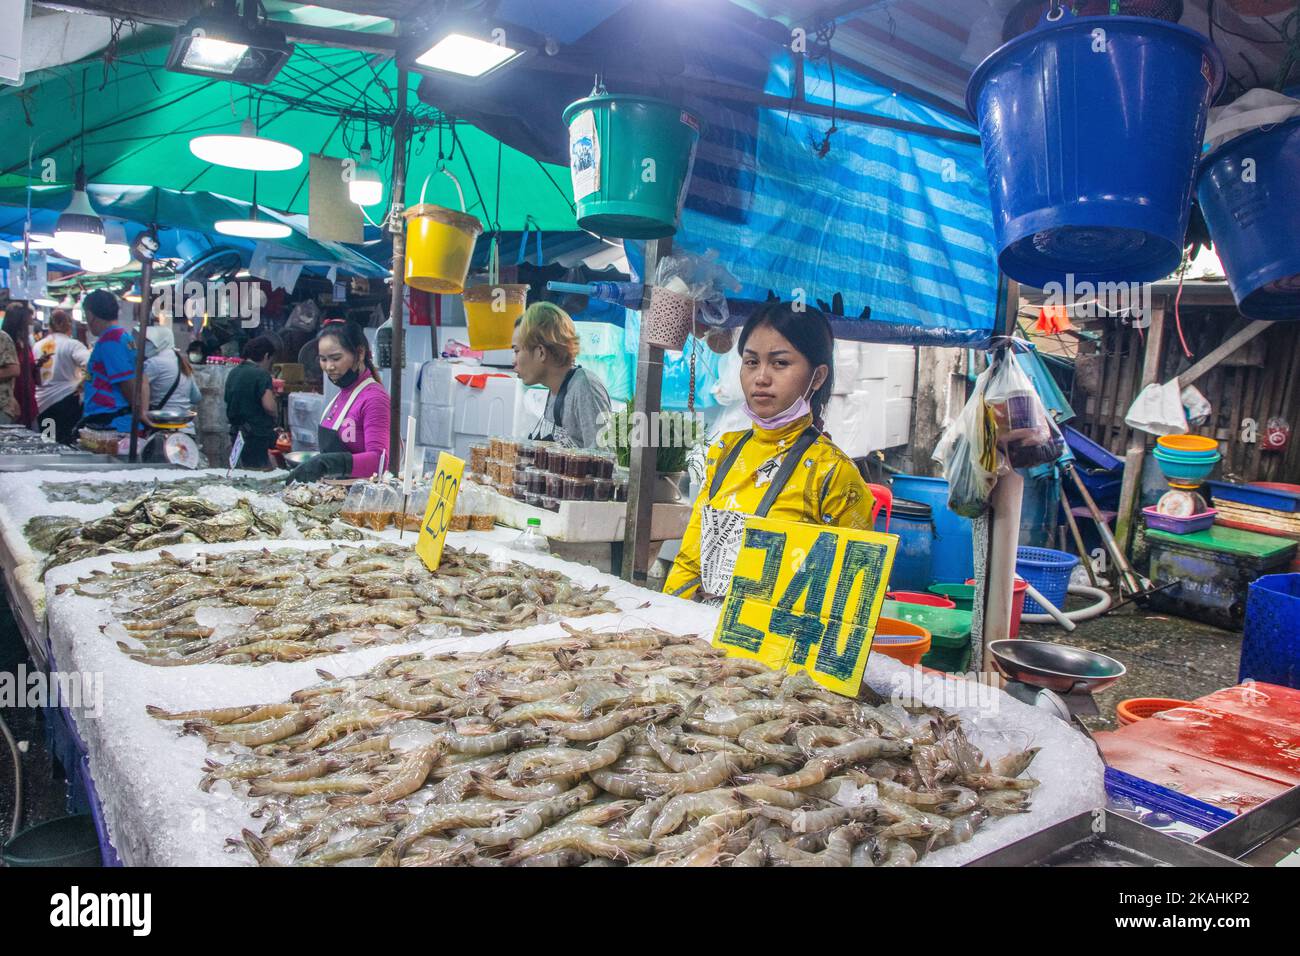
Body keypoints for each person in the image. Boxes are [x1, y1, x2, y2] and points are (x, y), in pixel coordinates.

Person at [664, 302, 875, 603]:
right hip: (700, 639)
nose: (760, 377)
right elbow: (689, 562)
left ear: (817, 377)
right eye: (751, 362)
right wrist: (669, 621)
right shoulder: (725, 452)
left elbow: (854, 596)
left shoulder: (834, 473)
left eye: (779, 363)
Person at [285, 318, 390, 482]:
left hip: (358, 499)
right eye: (323, 359)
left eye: (335, 358)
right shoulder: (342, 395)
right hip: (334, 494)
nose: (329, 367)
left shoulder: (374, 398)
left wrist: (326, 463)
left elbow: (379, 461)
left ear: (360, 353)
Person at [511, 301, 611, 449]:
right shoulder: (554, 389)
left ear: (541, 352)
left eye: (517, 350)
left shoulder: (585, 388)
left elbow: (605, 461)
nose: (513, 361)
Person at [80, 290, 140, 433]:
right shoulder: (125, 336)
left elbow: (128, 384)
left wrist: (138, 411)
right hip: (117, 421)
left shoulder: (110, 341)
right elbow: (142, 377)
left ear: (90, 315)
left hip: (112, 425)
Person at [34, 308, 90, 443]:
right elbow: (91, 363)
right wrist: (84, 382)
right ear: (69, 325)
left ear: (50, 326)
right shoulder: (72, 344)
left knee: (47, 441)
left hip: (42, 402)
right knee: (65, 443)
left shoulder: (37, 345)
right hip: (67, 400)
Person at [224, 336, 280, 469]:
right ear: (266, 356)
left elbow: (227, 399)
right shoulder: (261, 375)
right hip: (255, 434)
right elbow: (269, 407)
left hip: (236, 432)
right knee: (257, 473)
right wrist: (276, 413)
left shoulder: (234, 372)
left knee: (240, 471)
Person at [141, 325, 199, 433]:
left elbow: (136, 390)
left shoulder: (154, 363)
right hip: (187, 430)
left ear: (160, 342)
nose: (146, 345)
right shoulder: (182, 363)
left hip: (163, 430)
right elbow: (196, 397)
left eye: (149, 342)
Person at [1, 302, 38, 428]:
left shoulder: (24, 344)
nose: (31, 325)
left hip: (25, 398)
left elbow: (17, 369)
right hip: (14, 397)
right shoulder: (9, 341)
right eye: (28, 322)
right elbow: (14, 370)